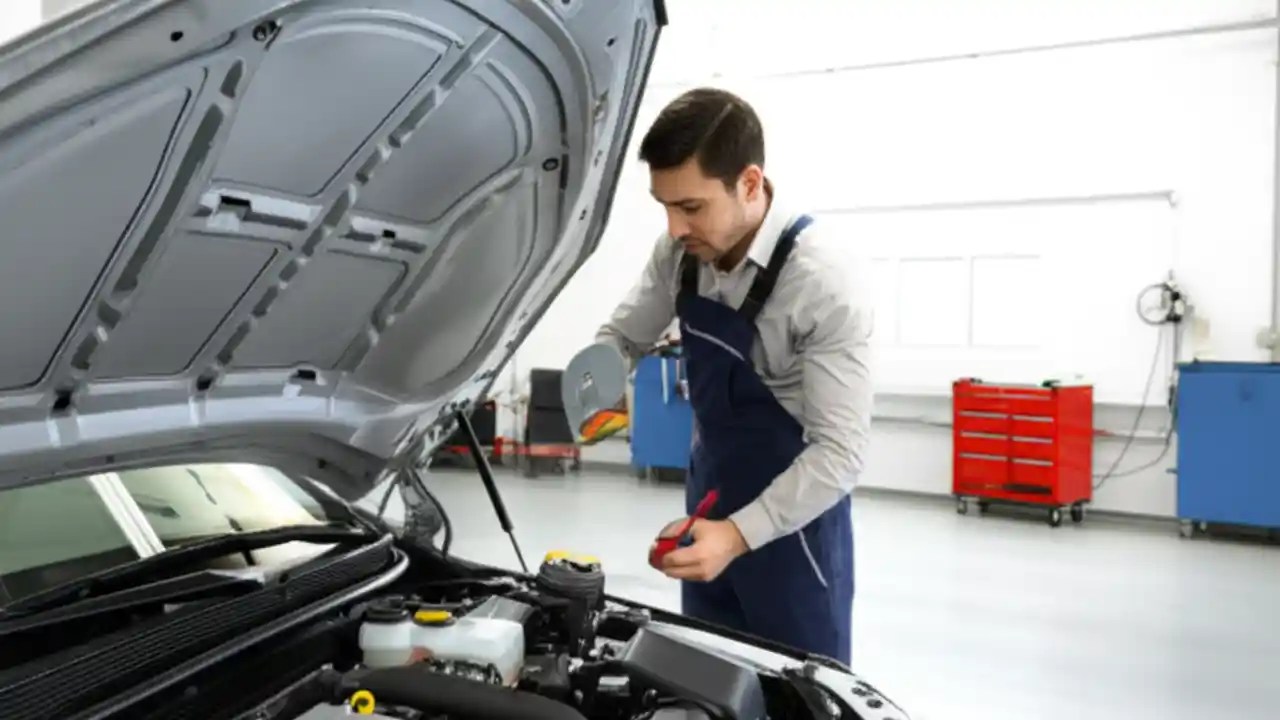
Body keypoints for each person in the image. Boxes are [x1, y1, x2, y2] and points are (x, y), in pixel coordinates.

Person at [593, 87, 872, 663]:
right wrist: (589, 386)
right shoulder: (679, 255)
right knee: (709, 686)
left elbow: (842, 452)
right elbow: (622, 338)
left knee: (795, 695)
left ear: (749, 184)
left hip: (795, 539)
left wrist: (740, 534)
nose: (673, 228)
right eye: (663, 206)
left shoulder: (822, 283)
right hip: (706, 519)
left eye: (690, 207)